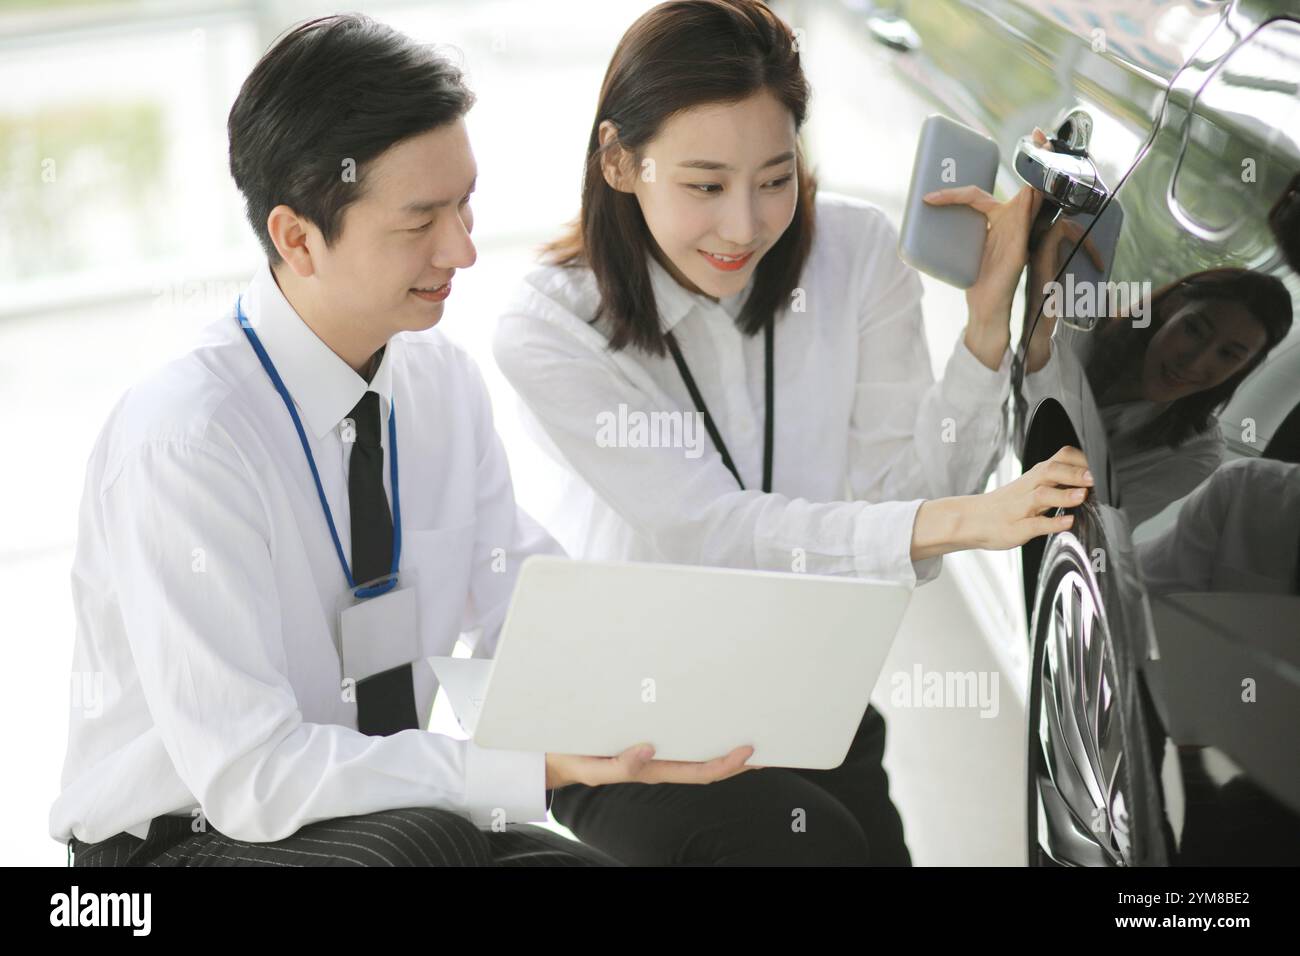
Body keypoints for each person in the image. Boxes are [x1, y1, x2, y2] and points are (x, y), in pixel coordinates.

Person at [50, 13, 749, 869]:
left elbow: (522, 608)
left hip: (384, 810)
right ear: (296, 237)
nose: (460, 248)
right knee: (427, 845)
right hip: (179, 844)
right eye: (420, 221)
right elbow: (252, 777)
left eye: (465, 205)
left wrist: (683, 688)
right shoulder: (187, 441)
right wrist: (506, 768)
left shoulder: (439, 380)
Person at [493, 0, 1091, 865]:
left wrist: (985, 328)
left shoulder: (852, 251)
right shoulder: (548, 326)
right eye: (705, 185)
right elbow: (711, 529)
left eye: (775, 178)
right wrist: (968, 518)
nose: (744, 227)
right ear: (620, 161)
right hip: (621, 715)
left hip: (797, 690)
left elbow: (904, 513)